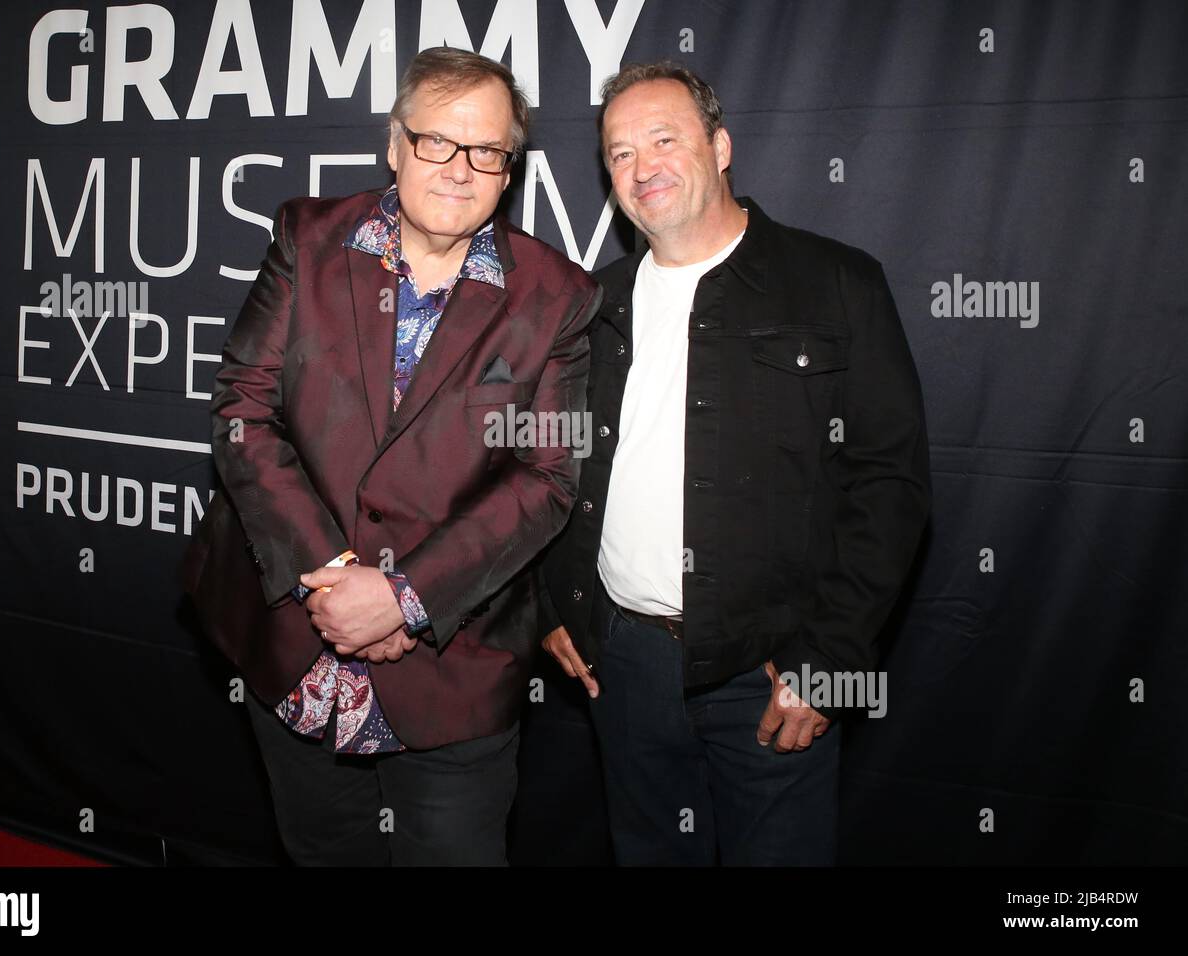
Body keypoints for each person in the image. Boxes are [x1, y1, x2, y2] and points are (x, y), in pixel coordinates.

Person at [183, 47, 601, 866]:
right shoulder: (307, 239)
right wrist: (335, 575)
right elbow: (243, 411)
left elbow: (546, 477)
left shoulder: (557, 296)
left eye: (487, 151)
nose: (460, 168)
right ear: (395, 144)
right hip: (293, 638)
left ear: (509, 168)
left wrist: (405, 598)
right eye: (437, 141)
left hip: (453, 666)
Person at [538, 61, 931, 865]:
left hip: (771, 671)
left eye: (663, 139)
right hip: (622, 665)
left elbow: (889, 488)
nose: (642, 167)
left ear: (720, 146)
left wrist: (827, 662)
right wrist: (550, 603)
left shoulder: (836, 284)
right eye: (619, 153)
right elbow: (550, 466)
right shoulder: (589, 304)